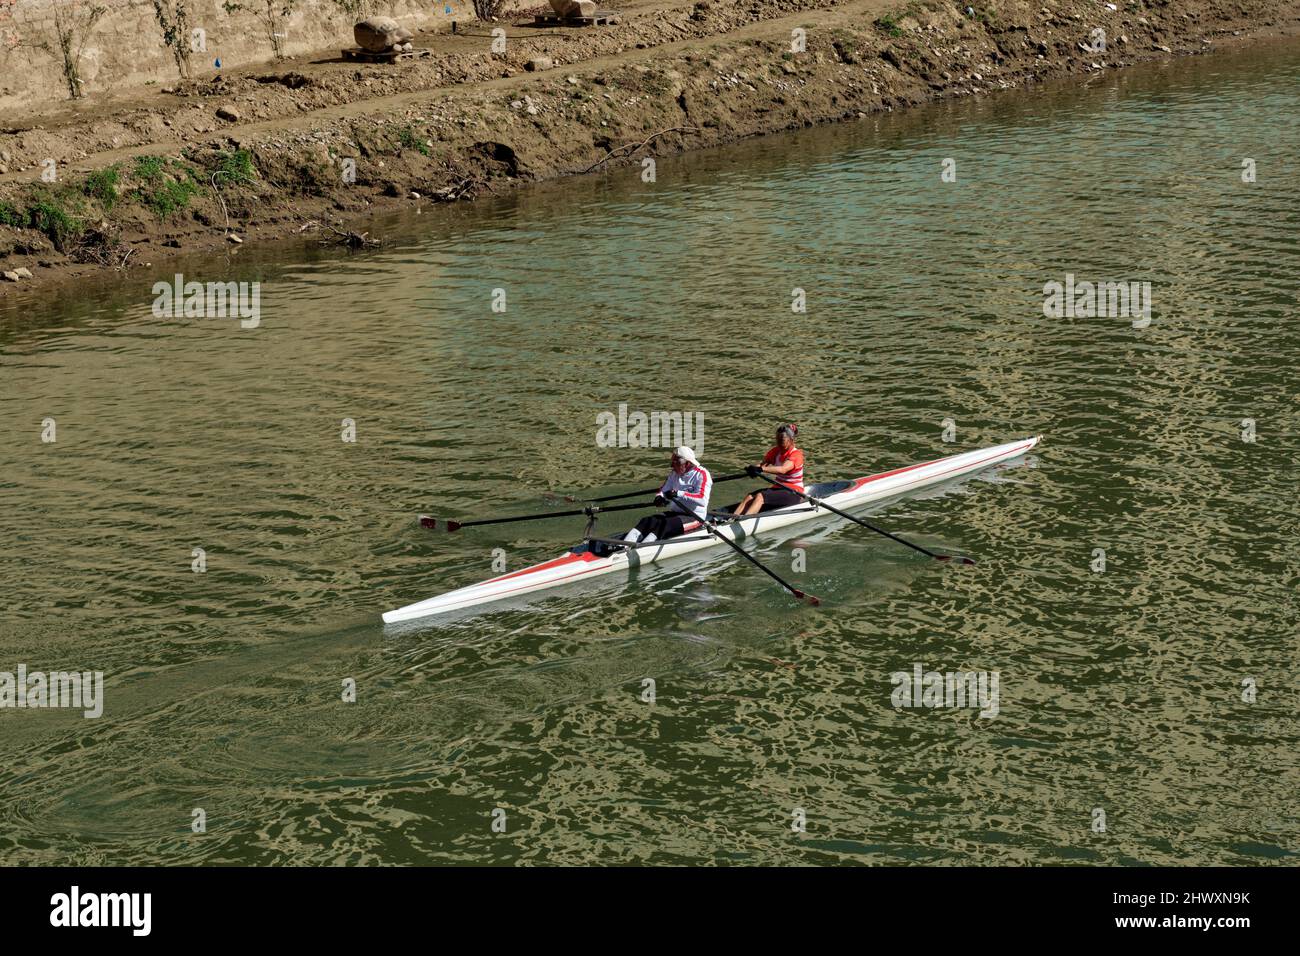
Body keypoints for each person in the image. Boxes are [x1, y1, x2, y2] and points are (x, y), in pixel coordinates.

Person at [612, 445, 712, 551]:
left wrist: (679, 493)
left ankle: (642, 550)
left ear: (687, 463)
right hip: (676, 513)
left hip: (695, 517)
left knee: (664, 525)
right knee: (647, 521)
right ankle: (622, 547)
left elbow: (702, 500)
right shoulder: (674, 474)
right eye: (672, 462)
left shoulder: (702, 475)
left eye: (675, 463)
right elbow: (663, 490)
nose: (672, 466)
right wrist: (659, 497)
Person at [731, 423, 806, 516]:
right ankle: (732, 519)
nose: (779, 443)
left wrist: (761, 469)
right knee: (750, 496)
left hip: (794, 492)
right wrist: (753, 469)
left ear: (791, 440)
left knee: (760, 496)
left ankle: (744, 521)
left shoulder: (796, 455)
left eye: (782, 440)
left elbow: (783, 469)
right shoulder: (775, 451)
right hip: (778, 488)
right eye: (777, 440)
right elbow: (762, 465)